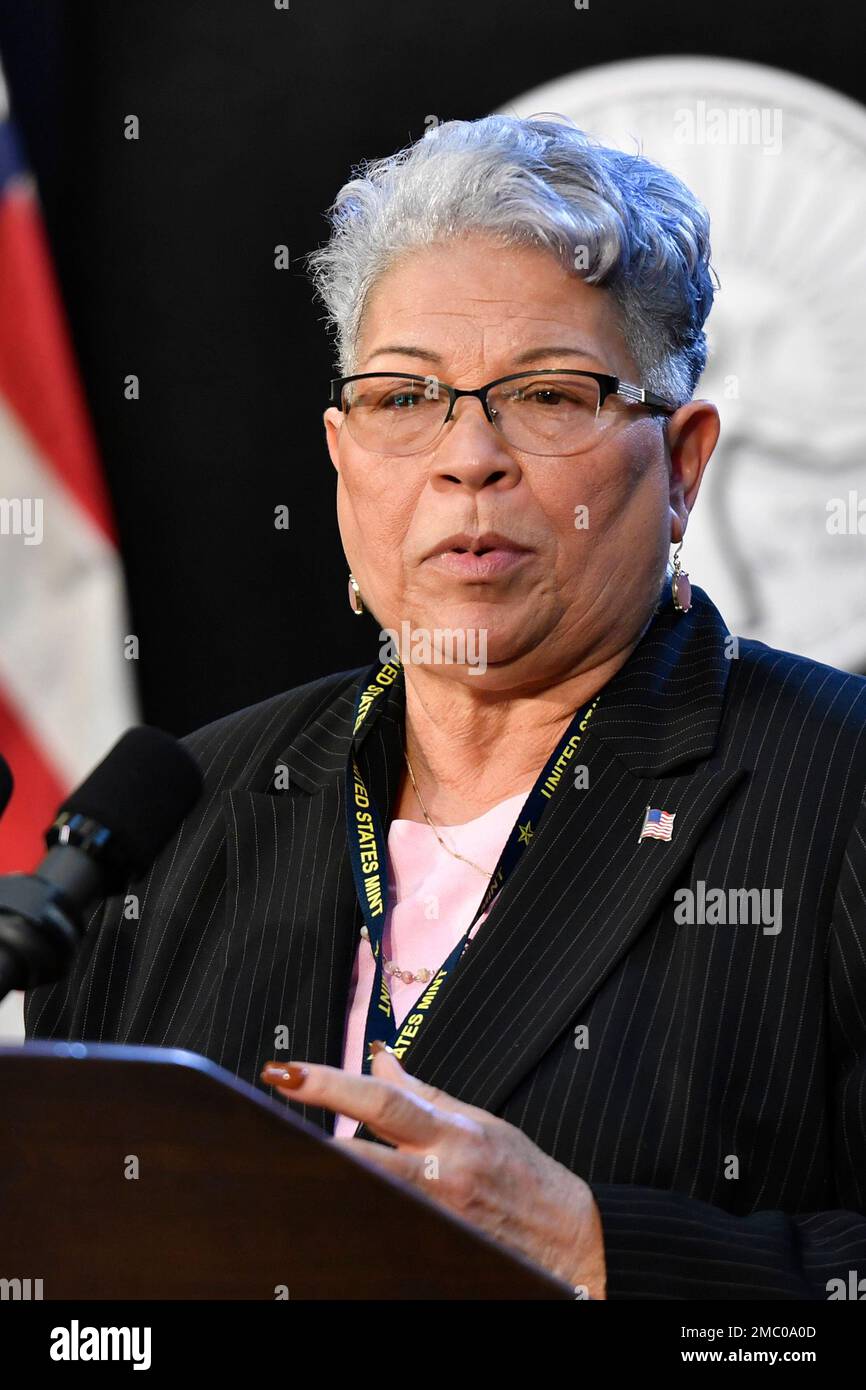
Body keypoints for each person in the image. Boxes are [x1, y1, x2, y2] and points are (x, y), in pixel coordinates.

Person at [25, 115, 866, 1300]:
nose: (468, 456)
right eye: (404, 396)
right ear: (340, 456)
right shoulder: (179, 815)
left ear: (679, 466)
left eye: (547, 393)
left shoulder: (836, 792)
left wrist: (591, 1249)